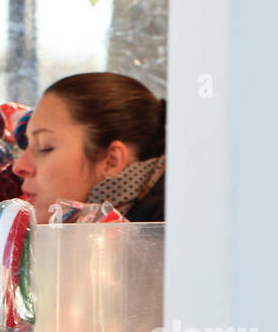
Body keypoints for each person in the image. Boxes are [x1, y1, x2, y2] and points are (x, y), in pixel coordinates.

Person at [12, 72, 166, 223]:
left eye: (45, 147)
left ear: (111, 160)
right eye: (26, 145)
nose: (19, 166)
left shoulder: (169, 239)